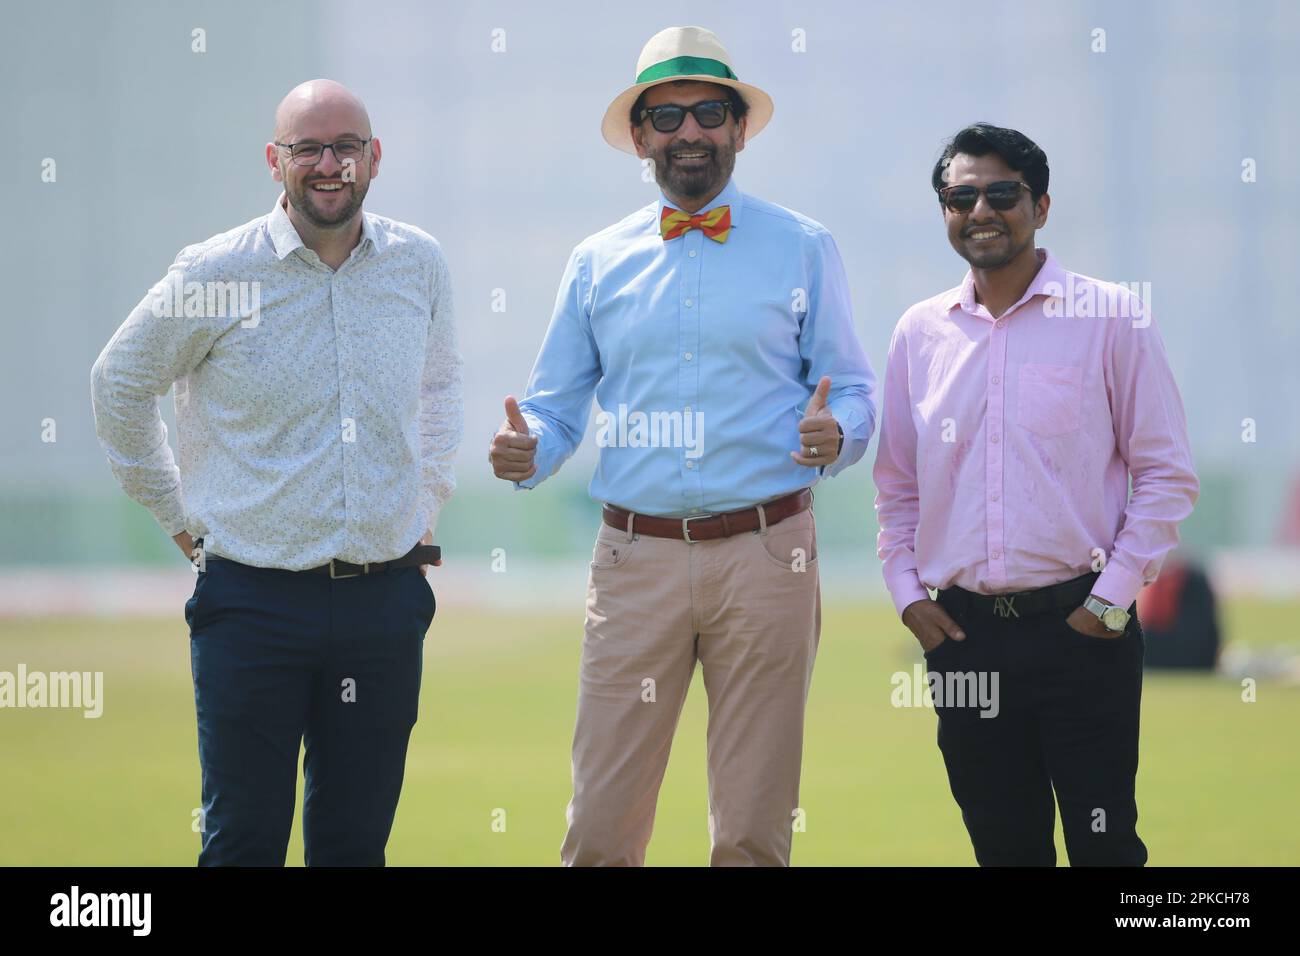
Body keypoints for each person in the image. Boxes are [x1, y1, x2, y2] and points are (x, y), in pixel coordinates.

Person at [490, 26, 877, 866]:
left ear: (739, 128)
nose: (689, 132)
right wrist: (532, 452)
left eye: (710, 112)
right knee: (600, 828)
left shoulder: (803, 246)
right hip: (636, 560)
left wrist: (837, 431)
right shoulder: (597, 262)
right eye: (667, 117)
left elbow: (852, 386)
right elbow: (556, 410)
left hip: (770, 555)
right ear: (640, 137)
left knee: (750, 831)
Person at [90, 79, 462, 866]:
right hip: (253, 603)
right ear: (275, 161)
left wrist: (425, 502)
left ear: (374, 157)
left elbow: (438, 390)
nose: (330, 165)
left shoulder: (418, 263)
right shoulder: (215, 271)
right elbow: (118, 385)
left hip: (384, 602)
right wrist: (178, 516)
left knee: (355, 847)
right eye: (308, 149)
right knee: (244, 844)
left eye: (346, 148)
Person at [873, 122, 1198, 866]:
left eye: (1001, 193)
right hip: (961, 639)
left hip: (1084, 628)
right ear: (945, 211)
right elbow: (896, 488)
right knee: (1003, 848)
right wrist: (909, 600)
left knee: (1106, 849)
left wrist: (1110, 599)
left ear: (1041, 206)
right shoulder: (919, 334)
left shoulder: (1112, 317)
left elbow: (1164, 473)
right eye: (960, 196)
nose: (980, 209)